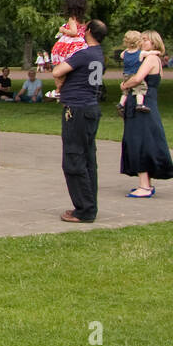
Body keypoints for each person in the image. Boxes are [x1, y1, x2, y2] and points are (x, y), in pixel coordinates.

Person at [52, 19, 108, 223]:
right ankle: (88, 205)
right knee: (88, 159)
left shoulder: (83, 54)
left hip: (77, 108)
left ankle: (84, 210)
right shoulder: (99, 56)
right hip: (90, 107)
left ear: (90, 31)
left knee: (74, 158)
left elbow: (57, 71)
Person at [120, 31, 173, 198]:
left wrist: (124, 85)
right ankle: (146, 183)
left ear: (154, 43)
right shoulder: (150, 58)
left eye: (145, 40)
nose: (142, 42)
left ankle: (144, 186)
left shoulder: (151, 59)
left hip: (142, 103)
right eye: (141, 39)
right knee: (144, 139)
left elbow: (137, 79)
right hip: (146, 101)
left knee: (139, 140)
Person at [50, 0, 88, 66]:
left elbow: (74, 32)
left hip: (71, 44)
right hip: (81, 43)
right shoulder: (81, 20)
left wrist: (63, 30)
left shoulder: (72, 18)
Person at [116, 30, 150, 114]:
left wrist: (127, 49)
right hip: (135, 74)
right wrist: (156, 52)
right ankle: (139, 104)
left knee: (125, 92)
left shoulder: (125, 53)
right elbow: (149, 53)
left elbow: (121, 55)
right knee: (140, 89)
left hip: (126, 75)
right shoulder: (141, 53)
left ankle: (121, 104)